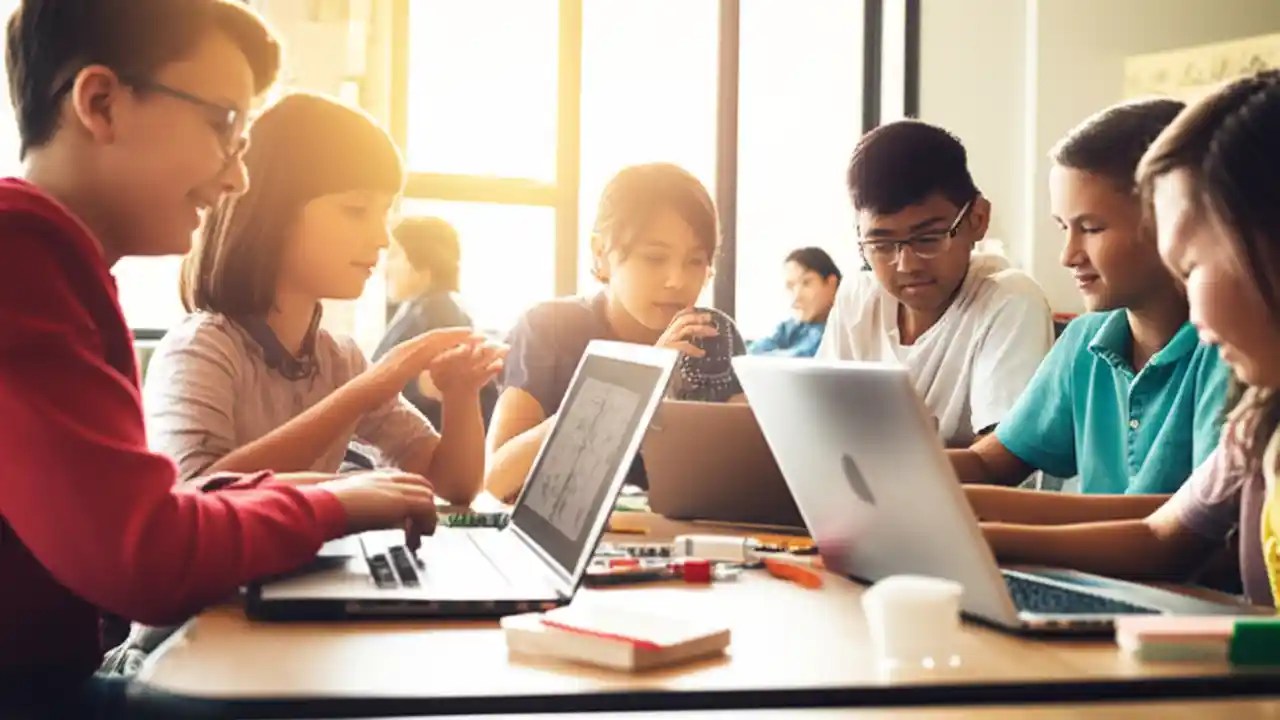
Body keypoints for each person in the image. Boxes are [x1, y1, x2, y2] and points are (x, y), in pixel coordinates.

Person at [0, 1, 438, 714]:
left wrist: (310, 495)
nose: (236, 178)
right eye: (223, 125)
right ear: (101, 103)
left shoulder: (55, 267)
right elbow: (145, 556)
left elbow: (144, 511)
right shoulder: (18, 265)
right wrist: (323, 504)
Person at [979, 71, 1280, 610]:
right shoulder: (1259, 418)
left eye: (1192, 266)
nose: (1193, 305)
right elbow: (1162, 536)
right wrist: (968, 532)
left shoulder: (1230, 374)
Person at [143, 93, 502, 506]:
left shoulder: (338, 360)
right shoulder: (202, 349)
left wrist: (460, 393)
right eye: (355, 210)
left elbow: (453, 485)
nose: (382, 239)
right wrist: (367, 388)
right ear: (274, 213)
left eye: (385, 213)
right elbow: (195, 496)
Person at [952, 99, 1229, 514]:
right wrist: (886, 472)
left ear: (1173, 222)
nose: (1067, 255)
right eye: (1064, 227)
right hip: (1098, 578)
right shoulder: (1086, 338)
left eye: (1091, 228)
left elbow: (1184, 530)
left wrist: (977, 519)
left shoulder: (1232, 351)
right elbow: (990, 462)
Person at [485, 162, 745, 501]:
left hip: (678, 544)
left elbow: (745, 480)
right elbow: (496, 482)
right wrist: (635, 378)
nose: (677, 280)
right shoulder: (549, 328)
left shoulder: (713, 339)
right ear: (600, 253)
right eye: (654, 258)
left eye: (695, 261)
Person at [817, 120, 1054, 447]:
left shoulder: (1008, 300)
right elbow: (821, 423)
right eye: (882, 245)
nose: (907, 264)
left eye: (928, 238)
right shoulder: (858, 297)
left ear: (978, 219)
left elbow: (1000, 459)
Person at [374, 217, 499, 429]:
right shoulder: (419, 308)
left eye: (395, 255)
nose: (385, 269)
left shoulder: (439, 311)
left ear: (422, 260)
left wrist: (419, 387)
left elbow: (440, 388)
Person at [749, 247, 841, 358]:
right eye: (790, 286)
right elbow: (753, 350)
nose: (796, 297)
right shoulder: (790, 328)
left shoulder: (842, 332)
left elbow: (802, 360)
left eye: (806, 283)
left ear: (831, 283)